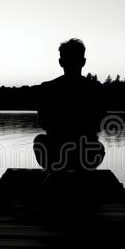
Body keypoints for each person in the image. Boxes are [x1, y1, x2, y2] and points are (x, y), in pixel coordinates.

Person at [33, 39, 106, 171]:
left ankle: (54, 172)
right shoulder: (96, 88)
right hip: (86, 156)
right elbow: (99, 124)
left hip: (55, 155)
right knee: (98, 147)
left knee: (39, 140)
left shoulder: (47, 88)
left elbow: (43, 123)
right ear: (83, 62)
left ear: (61, 62)